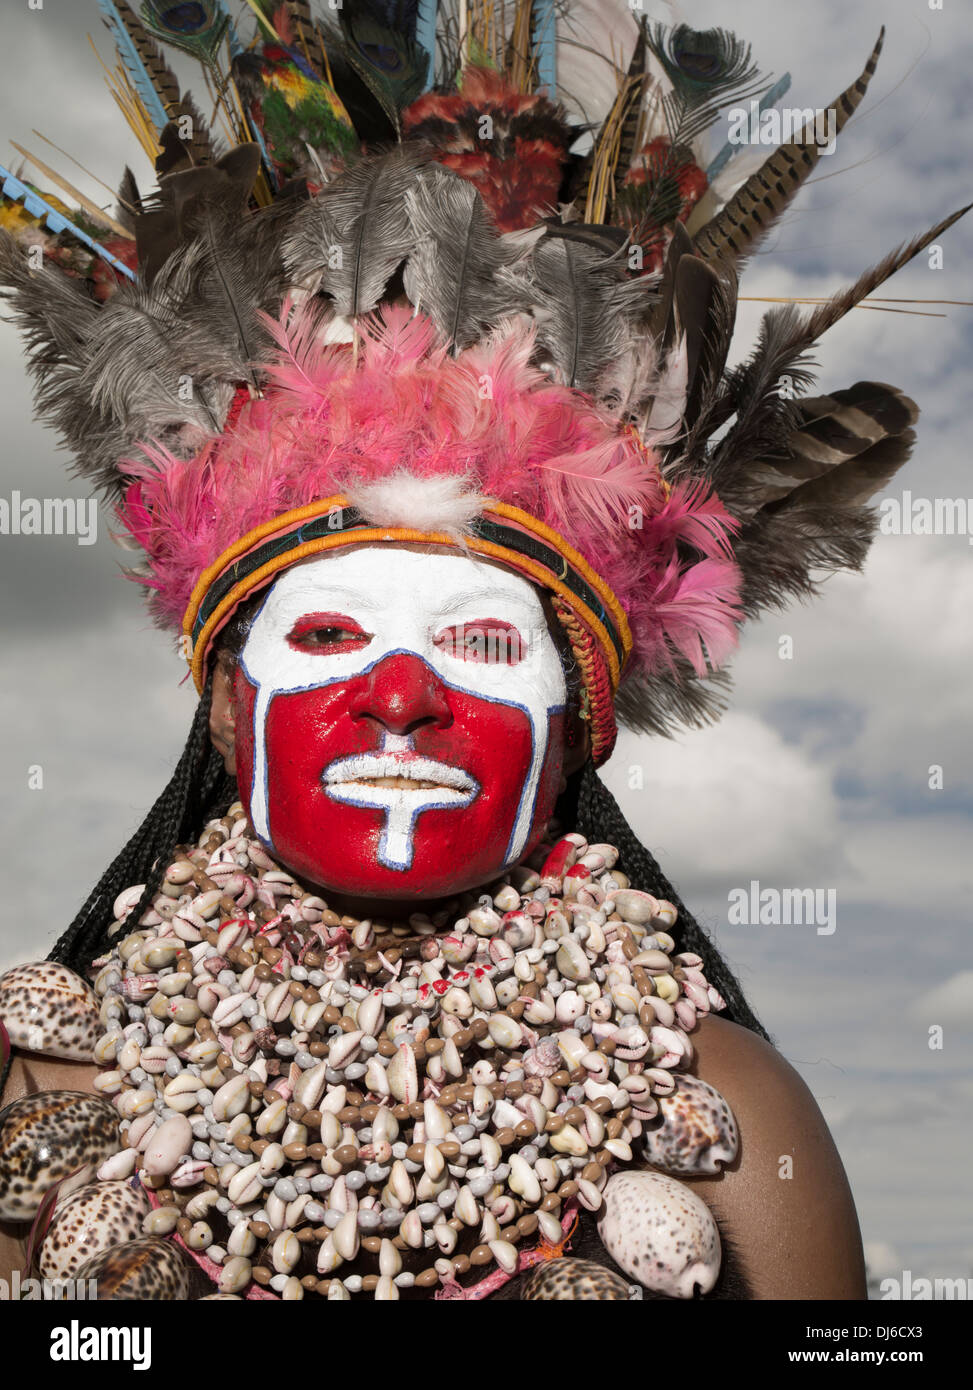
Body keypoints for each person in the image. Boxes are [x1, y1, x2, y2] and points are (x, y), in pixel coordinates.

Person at [0, 1, 966, 1301]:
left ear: (577, 717)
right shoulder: (53, 1102)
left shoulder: (731, 1124)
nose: (400, 696)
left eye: (473, 643)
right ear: (231, 707)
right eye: (332, 633)